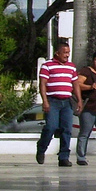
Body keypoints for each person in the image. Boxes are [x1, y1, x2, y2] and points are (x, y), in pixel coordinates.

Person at [35, 39, 81, 167]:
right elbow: (42, 84)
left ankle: (63, 157)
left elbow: (75, 84)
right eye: (64, 52)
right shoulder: (47, 66)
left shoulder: (71, 66)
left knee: (67, 129)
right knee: (51, 127)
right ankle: (41, 147)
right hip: (53, 101)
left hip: (67, 102)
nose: (67, 55)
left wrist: (79, 100)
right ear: (57, 53)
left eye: (68, 52)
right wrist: (45, 101)